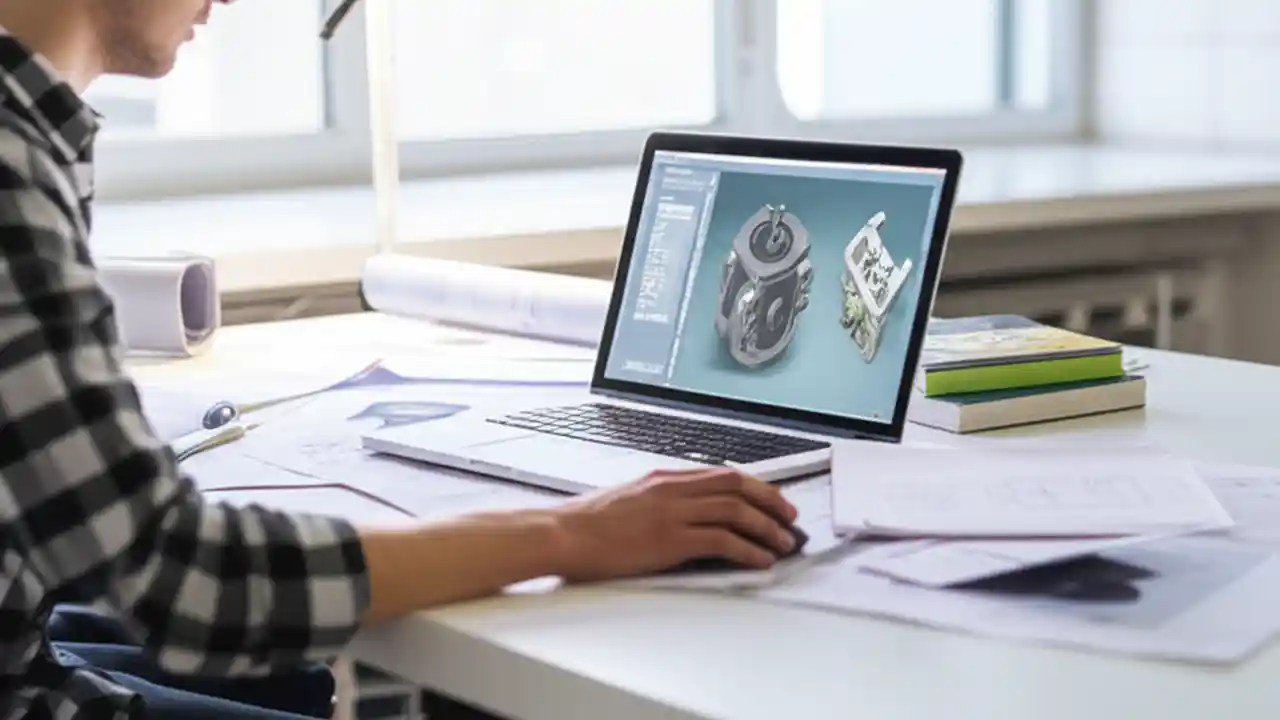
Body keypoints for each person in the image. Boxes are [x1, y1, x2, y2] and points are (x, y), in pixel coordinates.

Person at [0, 1, 799, 718]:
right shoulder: (12, 174)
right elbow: (185, 582)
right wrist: (572, 532)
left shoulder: (34, 134)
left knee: (297, 676)